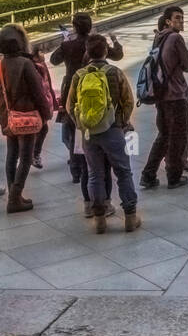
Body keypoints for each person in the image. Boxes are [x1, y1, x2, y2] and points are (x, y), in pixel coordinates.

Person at [68, 33, 139, 232]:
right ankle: (130, 217)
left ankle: (99, 220)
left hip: (90, 133)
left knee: (94, 175)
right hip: (113, 130)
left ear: (87, 52)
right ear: (106, 51)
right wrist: (121, 122)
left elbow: (69, 105)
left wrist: (82, 124)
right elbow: (128, 101)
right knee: (123, 172)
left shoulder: (79, 75)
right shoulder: (115, 72)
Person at [51, 13, 123, 185]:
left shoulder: (67, 44)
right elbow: (117, 55)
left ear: (74, 27)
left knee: (73, 127)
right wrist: (114, 40)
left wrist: (67, 41)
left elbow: (54, 60)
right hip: (94, 84)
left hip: (72, 86)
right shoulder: (96, 42)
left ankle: (76, 169)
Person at [139, 5, 188, 190]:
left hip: (160, 94)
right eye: (177, 18)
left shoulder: (158, 37)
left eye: (182, 17)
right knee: (179, 135)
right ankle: (174, 176)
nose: (181, 21)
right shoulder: (176, 37)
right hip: (175, 94)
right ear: (168, 21)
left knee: (163, 136)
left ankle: (148, 174)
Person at [0, 25, 52, 212]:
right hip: (27, 116)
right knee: (26, 156)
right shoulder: (25, 63)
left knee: (12, 155)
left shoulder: (2, 64)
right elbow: (38, 92)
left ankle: (15, 196)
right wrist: (46, 114)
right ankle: (15, 197)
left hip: (9, 117)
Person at [29, 44, 57, 170]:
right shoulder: (32, 67)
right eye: (41, 52)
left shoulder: (41, 66)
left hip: (42, 103)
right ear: (34, 55)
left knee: (41, 129)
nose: (44, 54)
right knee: (41, 129)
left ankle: (33, 154)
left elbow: (48, 86)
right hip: (35, 105)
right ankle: (33, 155)